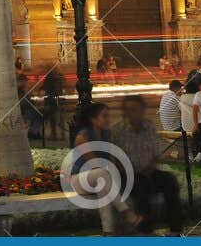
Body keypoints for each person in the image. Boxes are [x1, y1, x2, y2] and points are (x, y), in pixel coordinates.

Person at [112, 95, 183, 234]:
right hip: (127, 175)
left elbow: (155, 154)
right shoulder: (118, 130)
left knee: (170, 180)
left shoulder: (149, 127)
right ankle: (147, 229)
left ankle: (176, 229)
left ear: (141, 111)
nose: (130, 113)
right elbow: (115, 158)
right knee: (141, 185)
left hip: (148, 171)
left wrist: (149, 169)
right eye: (127, 110)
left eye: (134, 110)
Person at [71, 102, 135, 234]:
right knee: (101, 173)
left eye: (108, 116)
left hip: (101, 179)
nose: (108, 120)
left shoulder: (107, 135)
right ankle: (126, 211)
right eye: (104, 116)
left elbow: (112, 161)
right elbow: (95, 163)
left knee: (103, 185)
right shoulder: (82, 137)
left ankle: (108, 232)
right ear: (93, 119)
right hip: (79, 180)